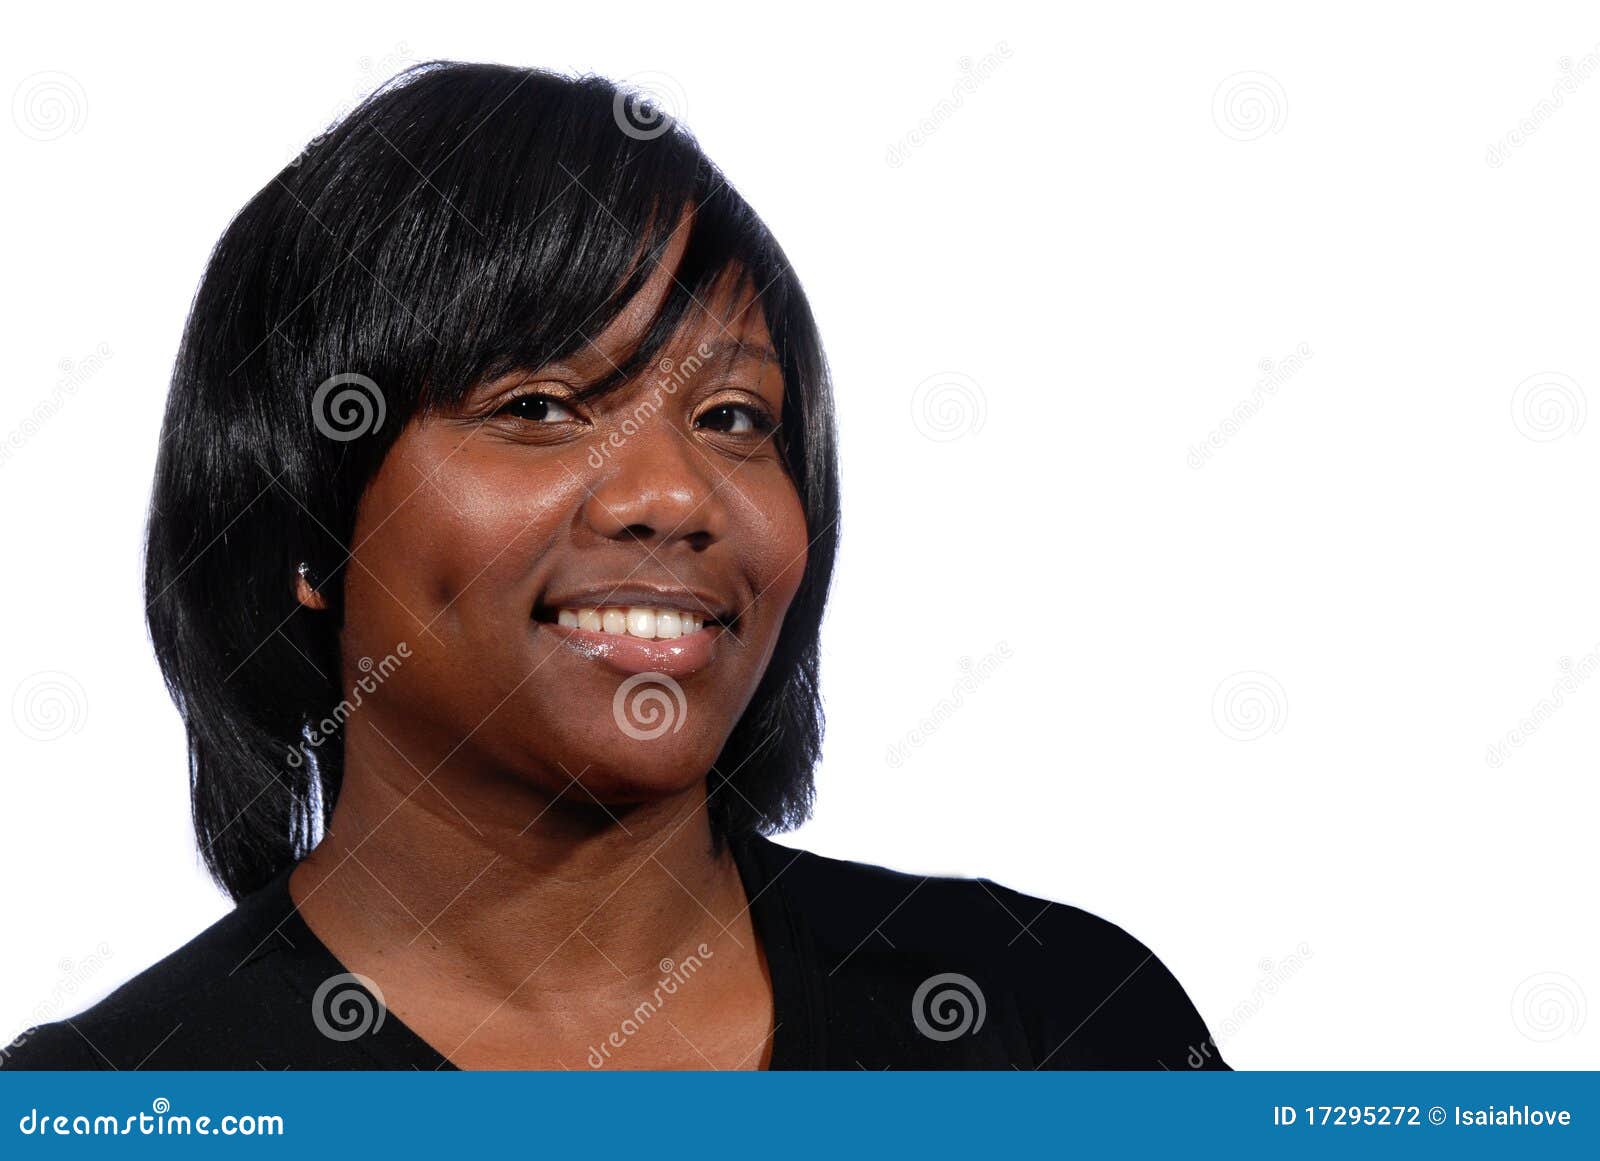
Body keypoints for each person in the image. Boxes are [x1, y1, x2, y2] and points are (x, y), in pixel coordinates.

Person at [3, 62, 1225, 1071]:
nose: (675, 497)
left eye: (736, 418)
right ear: (305, 533)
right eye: (538, 405)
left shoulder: (1055, 1019)